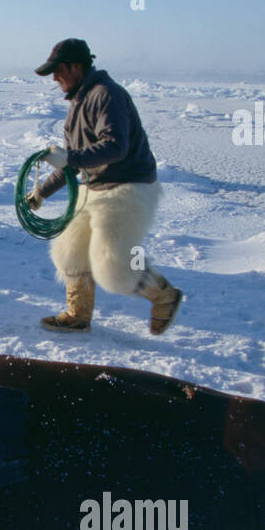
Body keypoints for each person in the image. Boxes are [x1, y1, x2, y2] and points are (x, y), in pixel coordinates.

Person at [26, 38, 182, 334]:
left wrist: (68, 157)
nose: (55, 78)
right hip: (95, 186)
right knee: (69, 250)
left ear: (77, 66)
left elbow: (116, 147)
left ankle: (163, 295)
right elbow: (73, 164)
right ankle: (77, 314)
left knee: (113, 265)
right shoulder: (78, 104)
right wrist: (41, 193)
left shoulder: (106, 95)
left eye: (58, 70)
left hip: (127, 187)